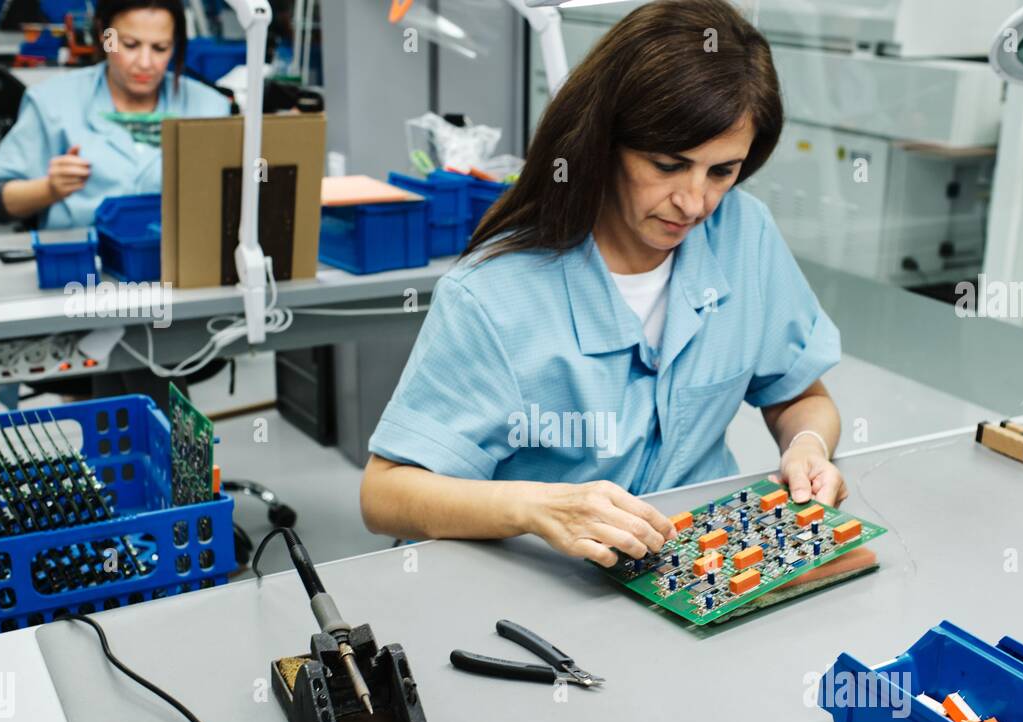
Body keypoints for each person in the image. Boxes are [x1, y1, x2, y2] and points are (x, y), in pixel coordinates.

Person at [361, 0, 846, 567]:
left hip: (695, 566)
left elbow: (799, 395)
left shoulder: (744, 234)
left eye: (722, 171)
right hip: (540, 581)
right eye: (668, 165)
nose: (695, 203)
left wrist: (807, 446)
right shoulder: (494, 293)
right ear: (603, 142)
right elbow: (385, 494)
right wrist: (540, 509)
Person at [0, 0, 232, 228]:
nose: (144, 62)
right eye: (130, 45)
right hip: (82, 268)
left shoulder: (209, 108)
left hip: (182, 268)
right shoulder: (53, 101)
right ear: (103, 35)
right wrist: (48, 189)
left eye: (160, 48)